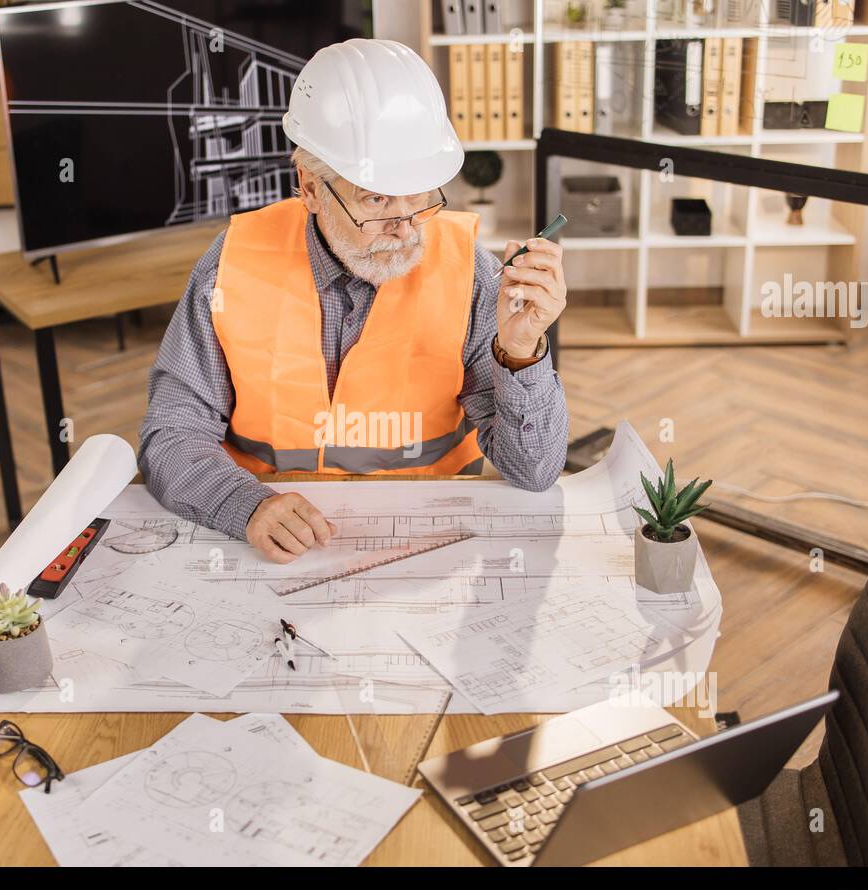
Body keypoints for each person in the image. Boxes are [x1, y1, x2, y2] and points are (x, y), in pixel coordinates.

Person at [138, 38, 568, 563]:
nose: (406, 228)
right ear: (311, 188)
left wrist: (521, 352)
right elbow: (171, 433)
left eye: (420, 195)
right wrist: (242, 505)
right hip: (271, 552)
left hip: (428, 550)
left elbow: (535, 473)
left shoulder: (473, 275)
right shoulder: (231, 267)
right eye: (377, 199)